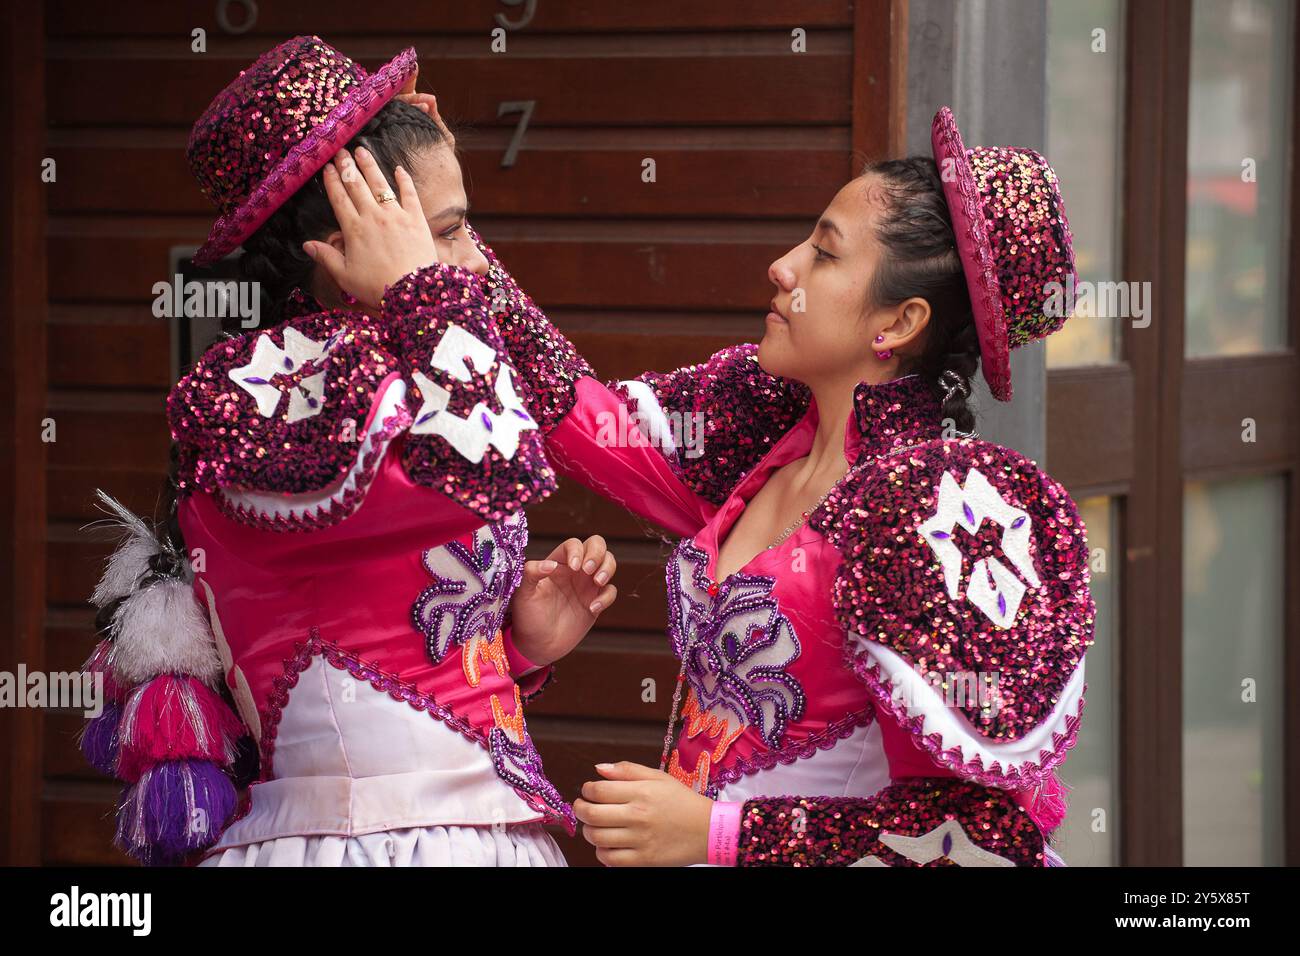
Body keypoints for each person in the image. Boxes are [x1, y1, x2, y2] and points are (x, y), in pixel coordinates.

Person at [310, 101, 1093, 867]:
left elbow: (975, 837)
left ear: (897, 323)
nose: (781, 266)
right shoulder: (762, 436)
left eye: (823, 253)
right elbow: (580, 417)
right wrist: (438, 233)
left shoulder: (936, 510)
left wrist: (719, 836)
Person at [78, 35, 618, 867]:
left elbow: (372, 613)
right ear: (341, 245)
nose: (474, 263)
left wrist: (514, 646)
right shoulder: (259, 391)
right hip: (356, 844)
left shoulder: (411, 355)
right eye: (444, 230)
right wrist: (420, 292)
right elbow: (501, 463)